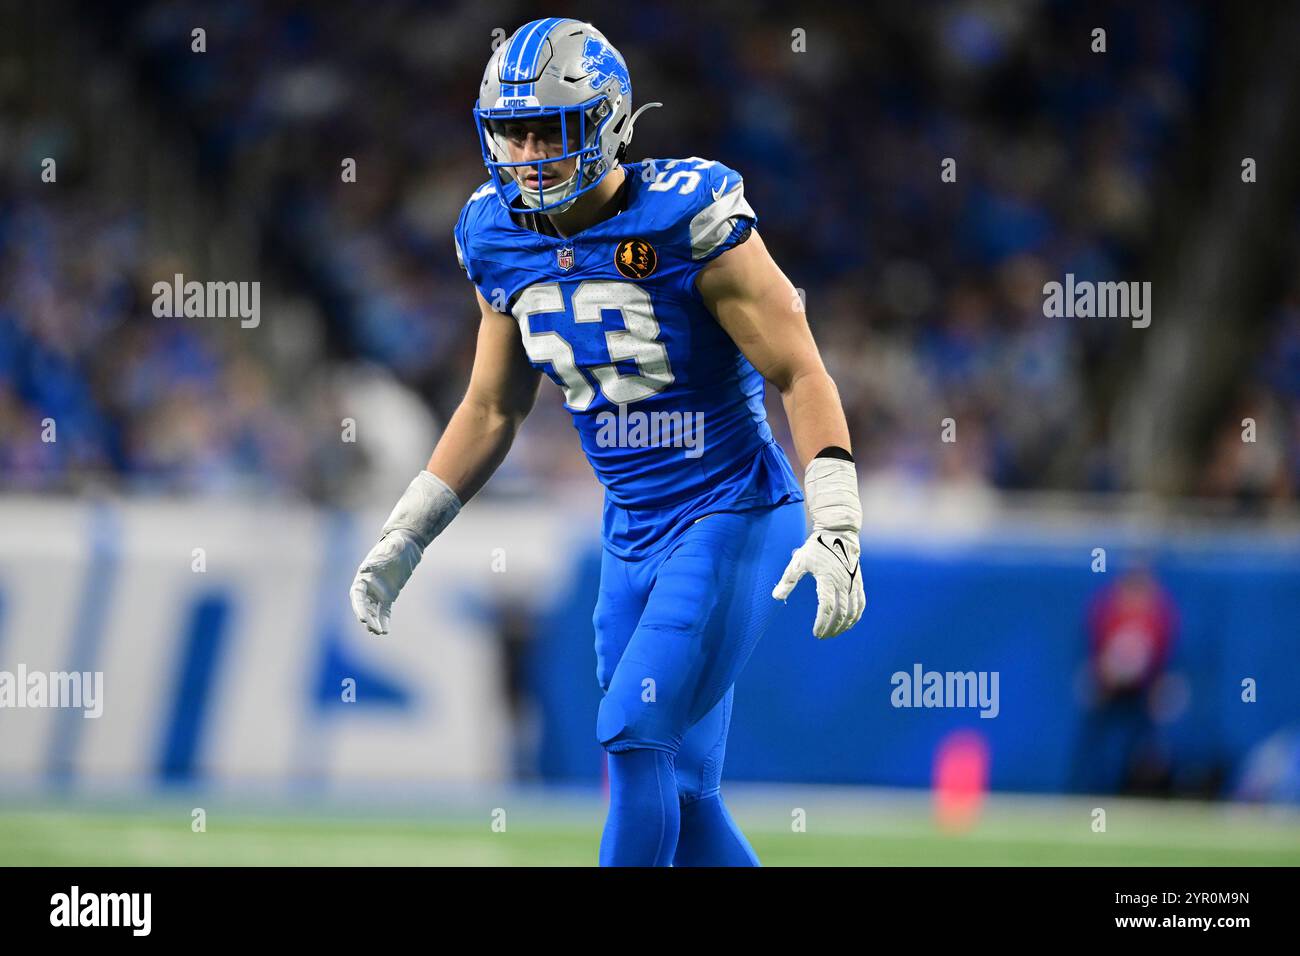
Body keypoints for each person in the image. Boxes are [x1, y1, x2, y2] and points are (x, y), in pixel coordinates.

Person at [349, 18, 865, 866]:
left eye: (548, 129)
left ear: (608, 122)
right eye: (509, 131)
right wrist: (407, 530)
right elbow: (490, 407)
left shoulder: (687, 216)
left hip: (726, 511)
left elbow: (801, 373)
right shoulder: (494, 233)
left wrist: (836, 523)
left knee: (632, 736)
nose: (526, 153)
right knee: (687, 799)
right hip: (628, 531)